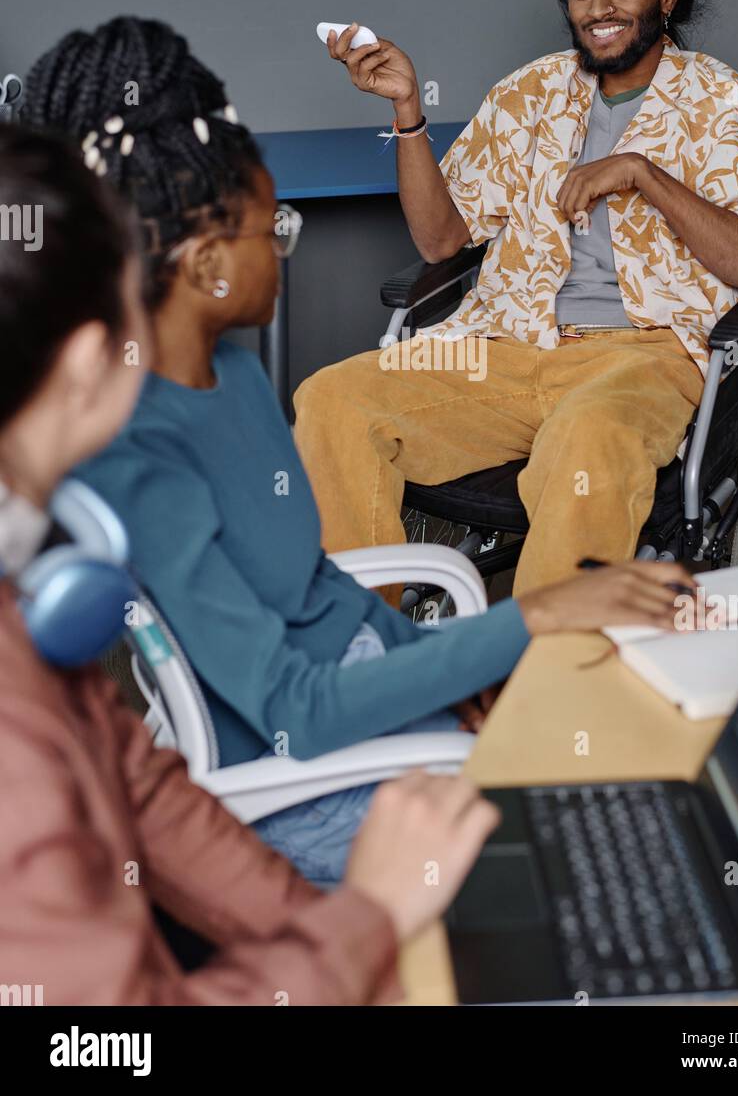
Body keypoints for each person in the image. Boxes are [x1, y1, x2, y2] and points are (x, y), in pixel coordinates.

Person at [21, 16, 693, 885]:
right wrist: (526, 622)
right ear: (201, 263)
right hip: (309, 781)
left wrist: (459, 672)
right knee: (622, 858)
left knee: (644, 764)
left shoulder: (229, 369)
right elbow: (293, 709)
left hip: (372, 691)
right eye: (276, 231)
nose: (286, 250)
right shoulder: (140, 453)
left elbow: (317, 596)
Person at [0, 123, 507, 1005]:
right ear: (88, 362)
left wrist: (329, 939)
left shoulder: (31, 586)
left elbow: (138, 781)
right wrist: (372, 922)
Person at [295, 0, 738, 594]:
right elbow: (444, 238)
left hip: (644, 353)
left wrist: (642, 174)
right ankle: (367, 655)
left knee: (587, 438)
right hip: (507, 340)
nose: (599, 8)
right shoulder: (528, 93)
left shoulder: (729, 105)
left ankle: (543, 674)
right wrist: (407, 110)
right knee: (333, 400)